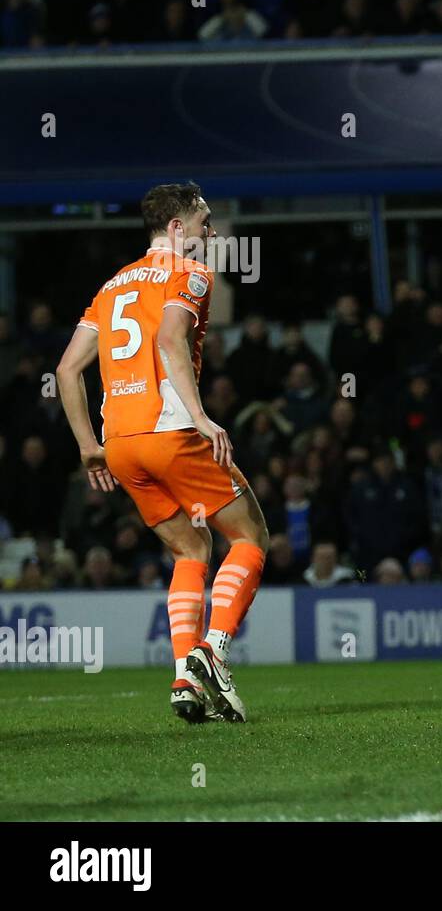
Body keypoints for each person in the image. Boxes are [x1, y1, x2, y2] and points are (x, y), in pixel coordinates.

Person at [56, 182, 270, 725]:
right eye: (203, 222)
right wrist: (199, 417)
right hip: (172, 431)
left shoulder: (112, 286)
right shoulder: (189, 273)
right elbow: (172, 339)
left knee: (190, 551)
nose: (210, 233)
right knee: (249, 536)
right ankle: (214, 652)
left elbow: (66, 370)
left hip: (121, 445)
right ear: (177, 229)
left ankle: (185, 679)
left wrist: (88, 446)